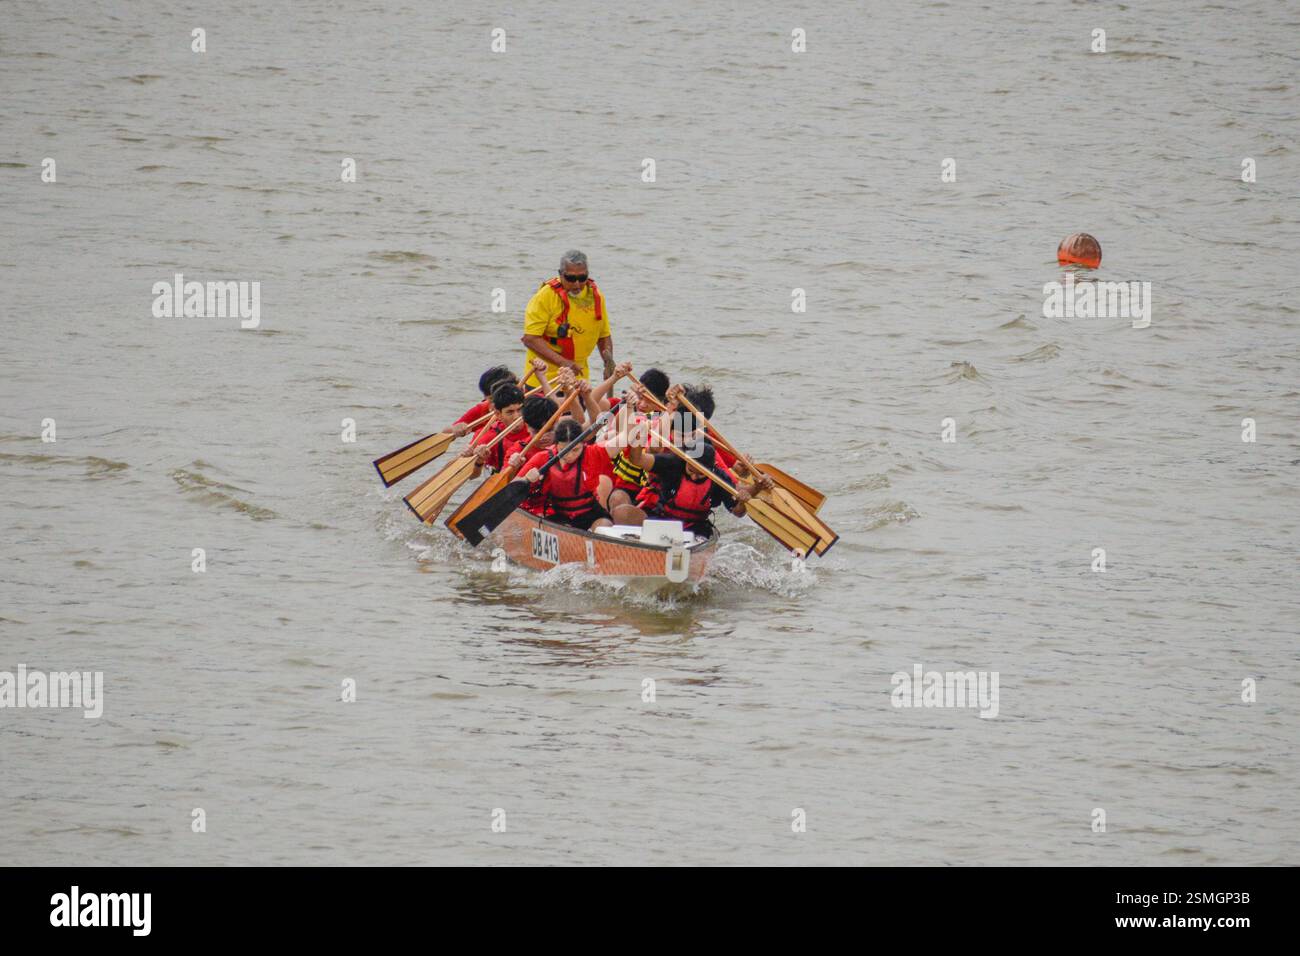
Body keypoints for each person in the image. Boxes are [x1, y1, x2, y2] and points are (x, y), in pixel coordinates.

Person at [520, 250, 615, 387]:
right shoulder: (545, 297)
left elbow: (604, 336)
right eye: (571, 278)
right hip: (543, 381)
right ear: (560, 274)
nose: (577, 284)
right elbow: (531, 339)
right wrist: (564, 363)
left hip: (578, 379)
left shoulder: (596, 297)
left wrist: (608, 364)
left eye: (582, 278)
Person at [515, 418, 614, 530]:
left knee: (605, 527)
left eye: (575, 450)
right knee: (564, 530)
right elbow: (514, 487)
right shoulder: (542, 458)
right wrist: (526, 481)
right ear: (556, 445)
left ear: (583, 444)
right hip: (558, 515)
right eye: (564, 450)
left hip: (589, 512)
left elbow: (625, 438)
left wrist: (628, 407)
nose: (570, 455)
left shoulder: (593, 452)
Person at [449, 359, 546, 438]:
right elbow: (447, 432)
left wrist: (542, 378)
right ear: (486, 397)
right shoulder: (482, 409)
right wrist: (455, 429)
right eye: (492, 399)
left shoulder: (534, 403)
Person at [469, 383, 526, 473]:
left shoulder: (535, 425)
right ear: (498, 414)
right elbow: (473, 475)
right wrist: (479, 462)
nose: (517, 417)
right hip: (504, 479)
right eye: (510, 412)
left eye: (520, 410)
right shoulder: (489, 437)